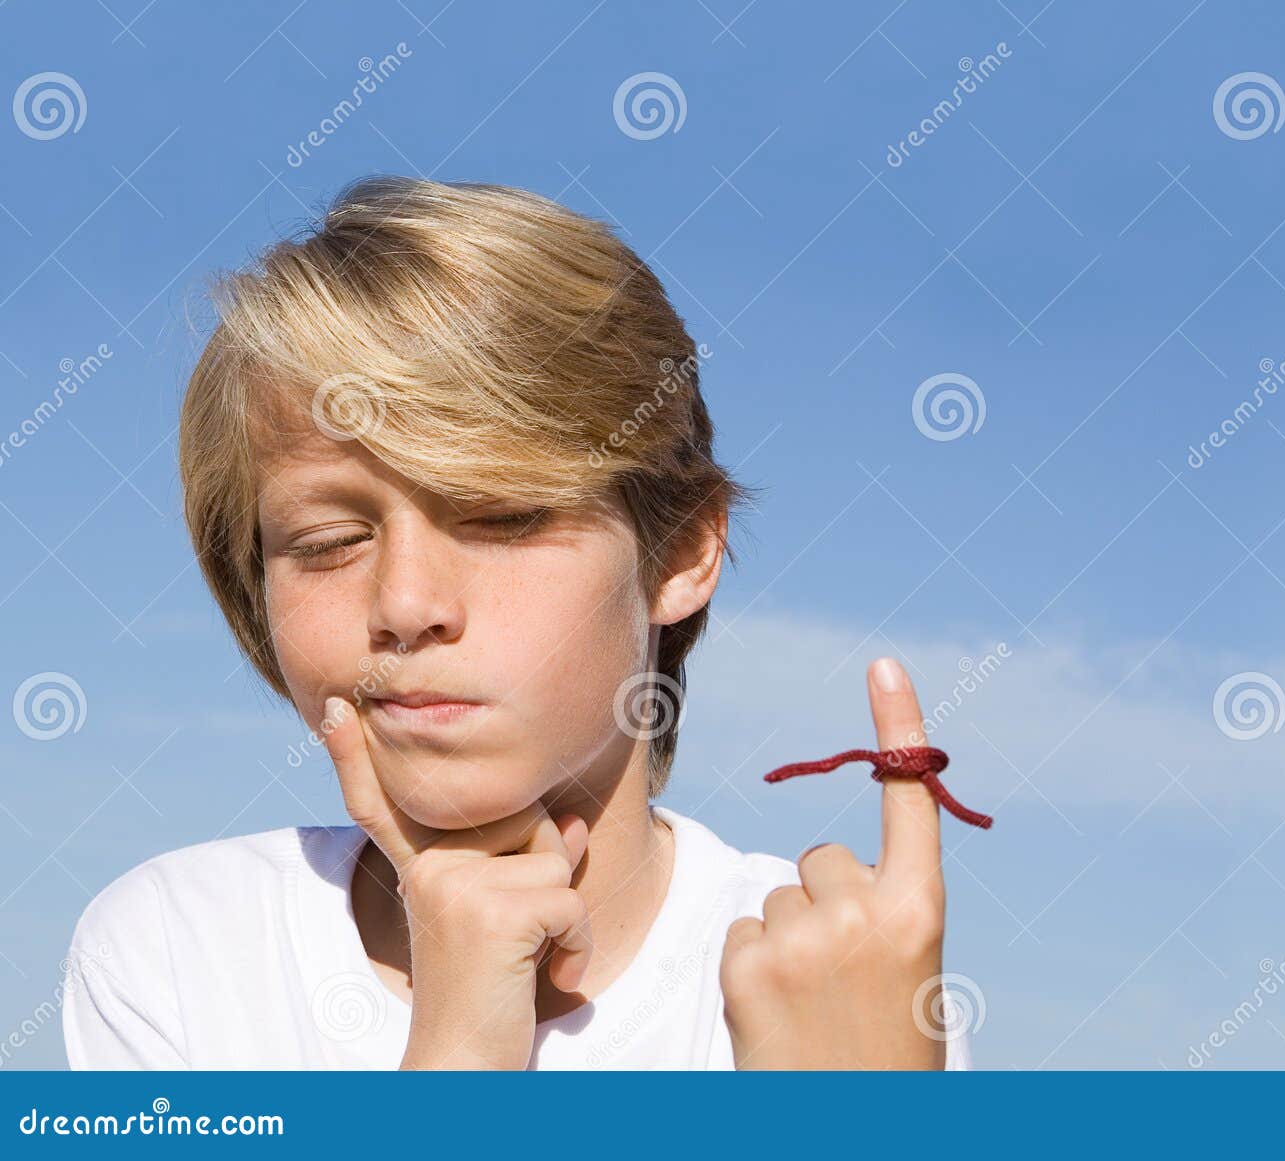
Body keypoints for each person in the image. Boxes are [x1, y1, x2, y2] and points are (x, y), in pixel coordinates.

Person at [60, 176, 975, 1069]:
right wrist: (461, 1049)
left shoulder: (839, 979)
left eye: (503, 517)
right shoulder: (178, 953)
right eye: (329, 539)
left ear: (682, 552)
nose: (407, 605)